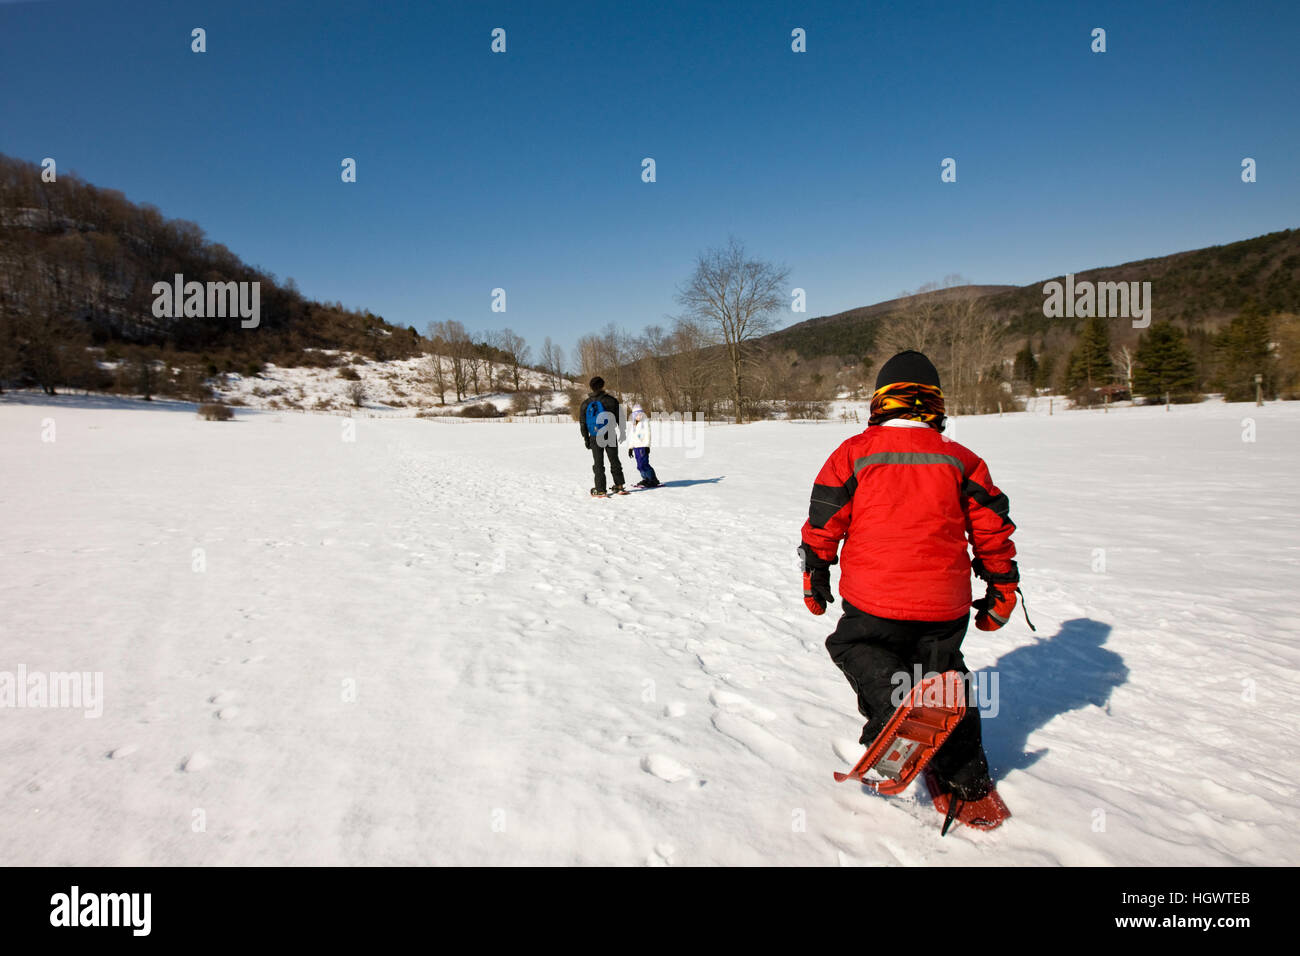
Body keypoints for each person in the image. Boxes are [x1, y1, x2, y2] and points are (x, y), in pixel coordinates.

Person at [797, 350, 1021, 802]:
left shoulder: (852, 455)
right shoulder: (962, 460)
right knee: (945, 680)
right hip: (945, 605)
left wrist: (815, 574)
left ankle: (893, 712)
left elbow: (824, 521)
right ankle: (970, 785)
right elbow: (992, 533)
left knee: (855, 646)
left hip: (874, 599)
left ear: (881, 402)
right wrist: (1002, 589)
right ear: (935, 405)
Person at [579, 376, 626, 497]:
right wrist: (622, 432)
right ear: (603, 385)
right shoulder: (611, 400)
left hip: (595, 436)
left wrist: (586, 438)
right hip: (610, 433)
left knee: (598, 463)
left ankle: (600, 489)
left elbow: (583, 423)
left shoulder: (586, 403)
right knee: (614, 460)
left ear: (591, 387)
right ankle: (619, 485)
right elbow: (620, 418)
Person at [625, 403, 660, 488]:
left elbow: (648, 434)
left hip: (642, 446)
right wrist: (630, 448)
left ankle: (653, 479)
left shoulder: (645, 422)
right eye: (636, 414)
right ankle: (646, 479)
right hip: (636, 447)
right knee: (639, 465)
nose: (638, 416)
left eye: (640, 414)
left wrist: (647, 446)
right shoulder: (634, 424)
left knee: (644, 464)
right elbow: (632, 437)